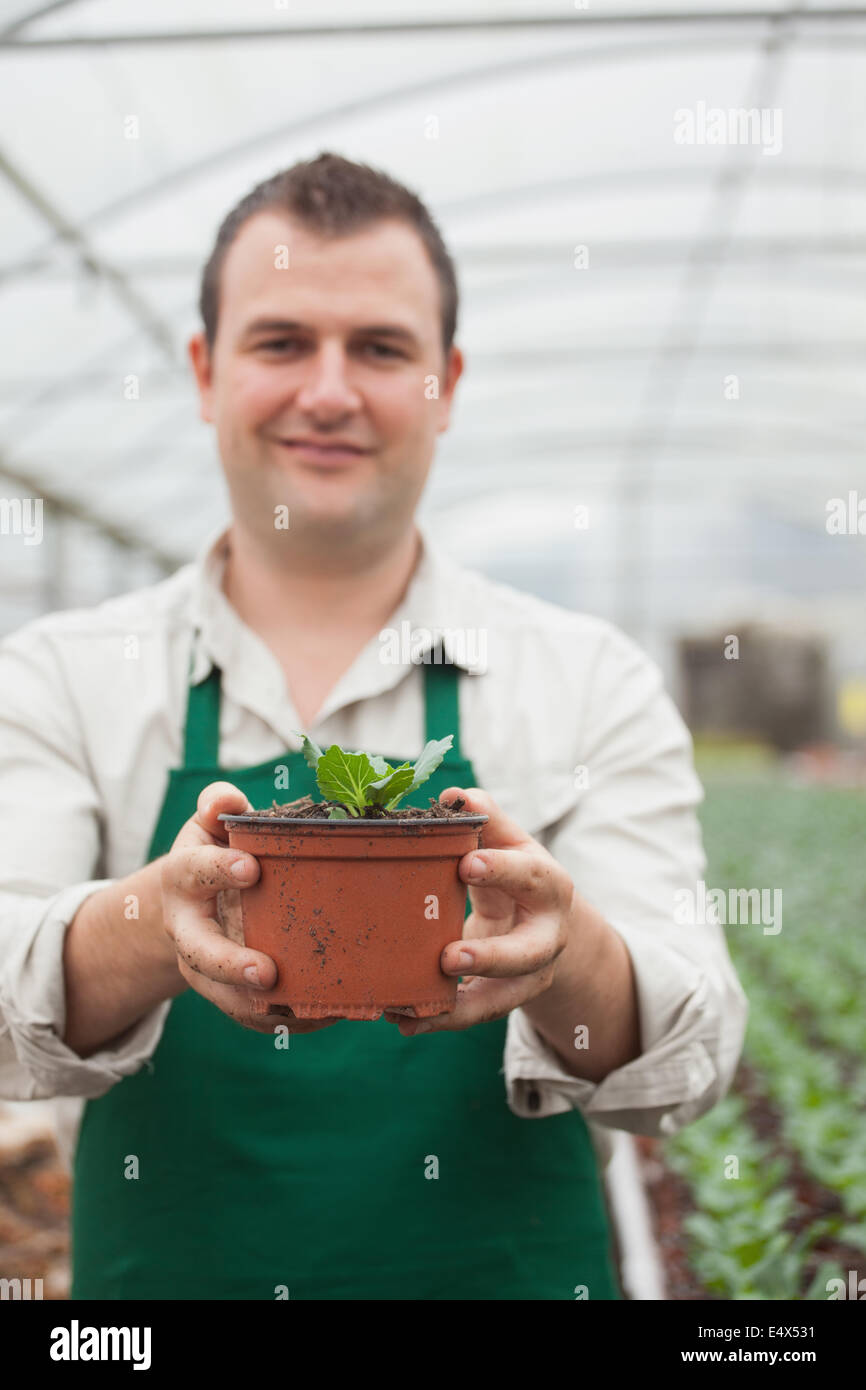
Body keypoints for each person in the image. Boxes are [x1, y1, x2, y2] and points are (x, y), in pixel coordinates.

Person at [0, 152, 747, 1301]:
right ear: (203, 372)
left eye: (382, 348)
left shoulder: (586, 679)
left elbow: (683, 1065)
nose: (330, 390)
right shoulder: (60, 675)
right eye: (282, 341)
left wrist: (567, 957)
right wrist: (152, 925)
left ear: (445, 382)